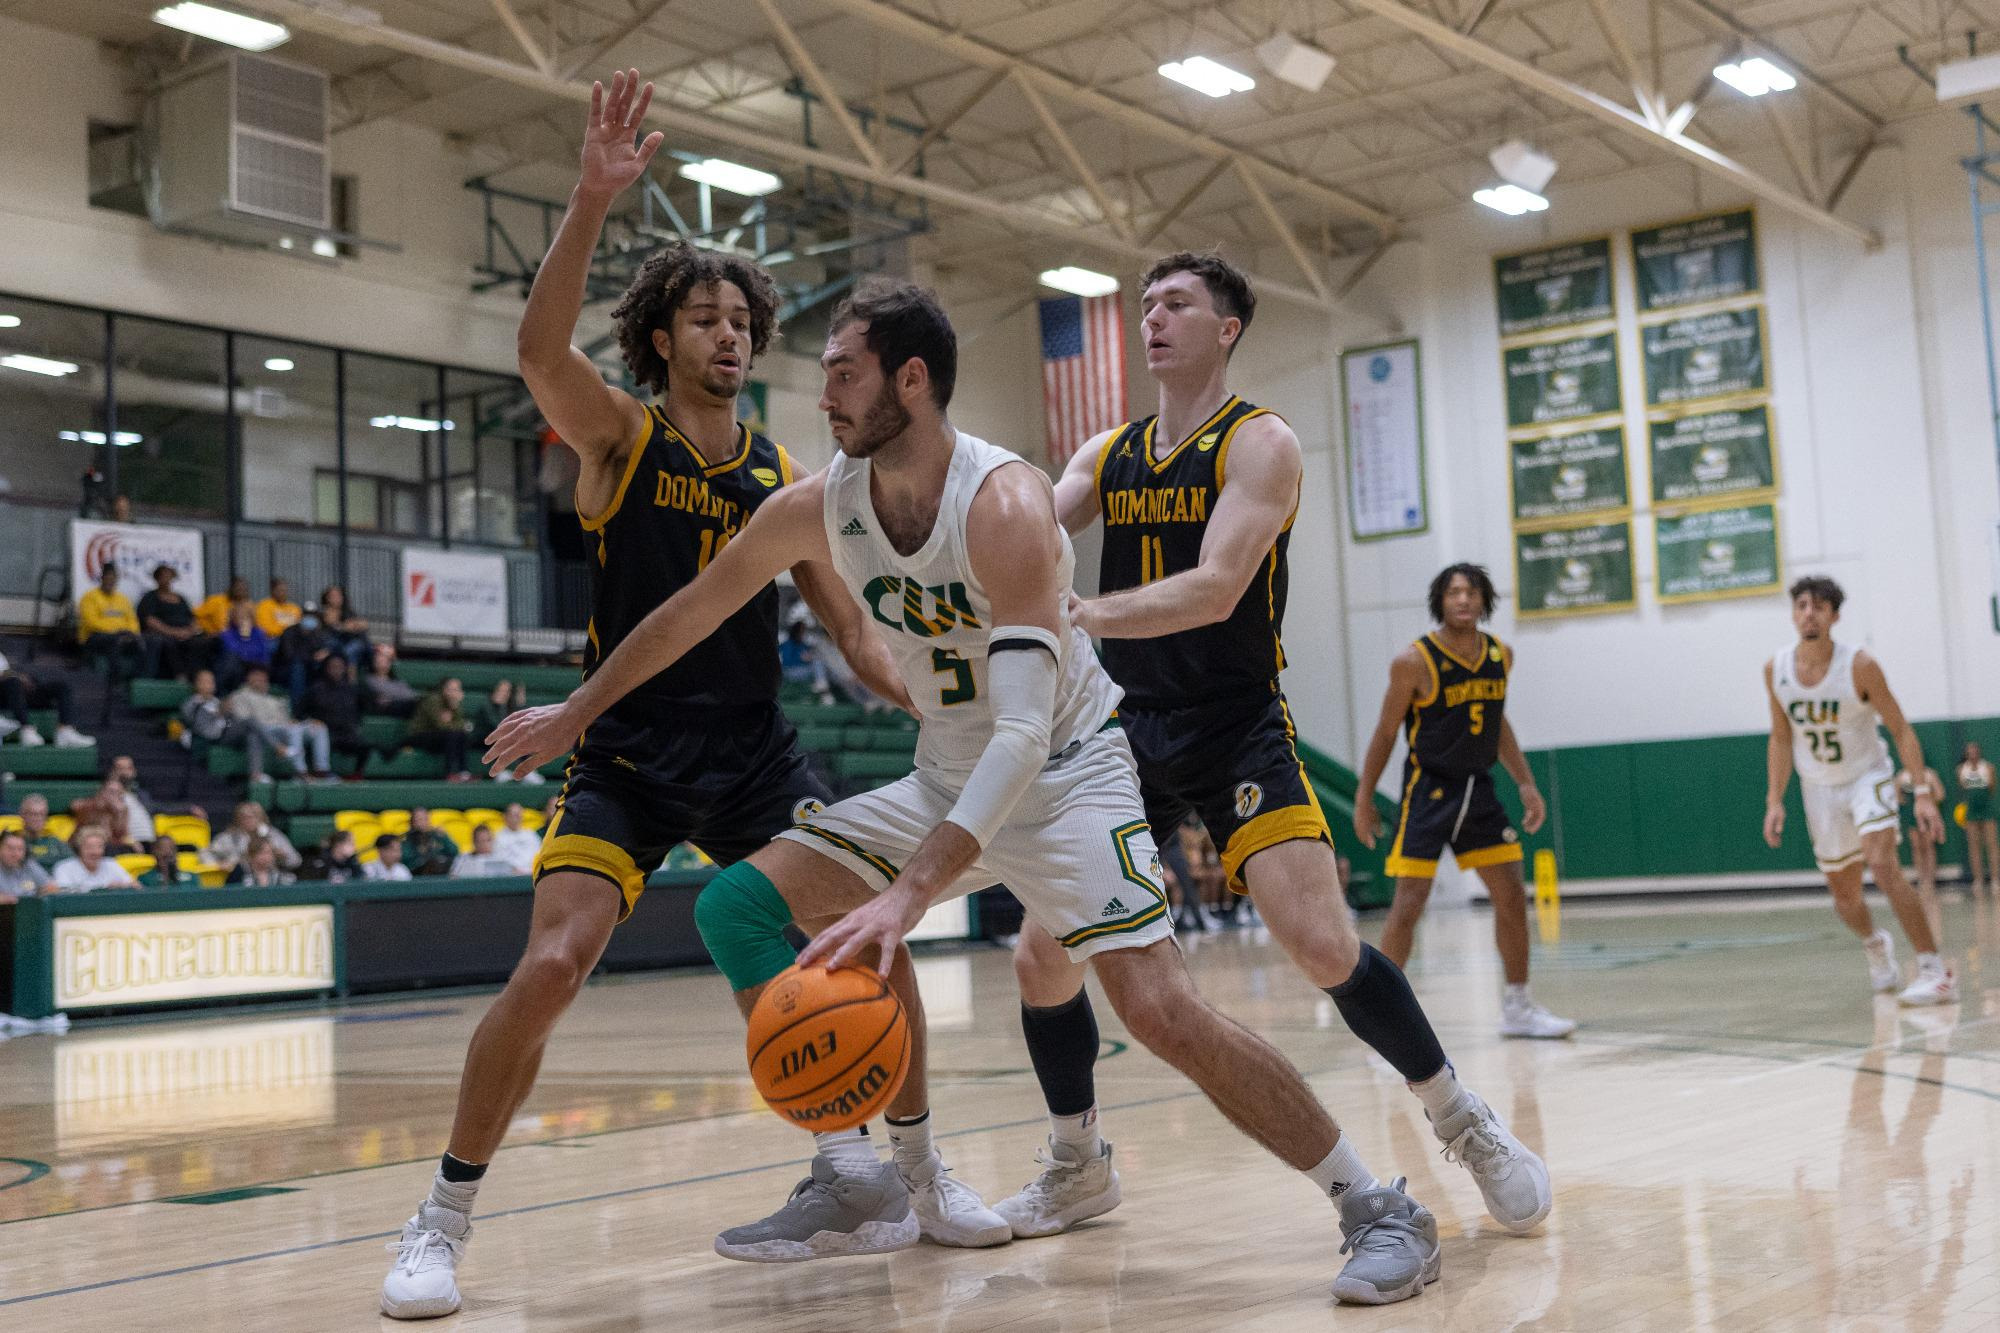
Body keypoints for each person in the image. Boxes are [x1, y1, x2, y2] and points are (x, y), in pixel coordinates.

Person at [489, 277, 1471, 1307]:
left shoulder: (1002, 502)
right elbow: (688, 611)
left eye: (843, 373)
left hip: (1063, 773)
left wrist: (908, 894)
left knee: (1160, 1011)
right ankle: (868, 1177)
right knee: (736, 902)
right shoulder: (819, 503)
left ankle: (1377, 1207)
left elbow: (1018, 733)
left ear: (908, 382)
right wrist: (576, 711)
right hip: (947, 773)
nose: (821, 395)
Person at [376, 72, 917, 1322]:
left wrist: (920, 698)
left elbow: (845, 627)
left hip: (755, 756)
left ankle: (865, 1164)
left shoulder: (787, 472)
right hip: (623, 752)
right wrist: (589, 196)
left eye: (741, 318)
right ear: (660, 337)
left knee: (834, 949)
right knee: (556, 961)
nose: (728, 334)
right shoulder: (621, 440)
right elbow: (531, 350)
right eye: (701, 317)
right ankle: (441, 1216)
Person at [1010, 254, 1554, 1236]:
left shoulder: (1259, 444)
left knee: (1316, 938)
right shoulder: (1108, 450)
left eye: (1175, 303)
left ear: (1225, 328)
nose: (1151, 318)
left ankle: (1457, 1116)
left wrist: (1078, 613)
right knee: (1041, 954)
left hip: (1233, 724)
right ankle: (1075, 1160)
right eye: (1143, 305)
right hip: (1125, 730)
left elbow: (1217, 586)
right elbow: (1022, 524)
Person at [1353, 563, 1575, 1038]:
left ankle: (1518, 1007)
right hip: (1429, 791)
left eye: (1472, 592)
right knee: (1409, 903)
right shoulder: (1413, 660)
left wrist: (1526, 782)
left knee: (1512, 895)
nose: (1463, 600)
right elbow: (1386, 731)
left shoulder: (1500, 654)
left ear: (1484, 600)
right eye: (1454, 592)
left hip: (1480, 790)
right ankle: (1384, 1023)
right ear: (1440, 600)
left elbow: (1497, 724)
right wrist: (1364, 797)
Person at [1765, 575, 1955, 1004]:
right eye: (1801, 606)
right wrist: (1774, 800)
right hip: (1818, 787)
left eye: (1817, 607)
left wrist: (1922, 791)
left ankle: (1933, 969)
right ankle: (1875, 944)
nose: (1808, 614)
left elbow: (1902, 729)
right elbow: (1779, 738)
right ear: (1793, 615)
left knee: (1882, 864)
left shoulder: (1860, 665)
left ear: (1835, 616)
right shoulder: (1775, 670)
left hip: (1868, 776)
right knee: (1845, 895)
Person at [226, 664, 332, 783]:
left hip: (283, 728)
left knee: (319, 728)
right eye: (256, 675)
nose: (260, 678)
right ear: (248, 677)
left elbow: (288, 720)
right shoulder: (240, 696)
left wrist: (306, 722)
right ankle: (300, 772)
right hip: (264, 730)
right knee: (294, 730)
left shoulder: (274, 698)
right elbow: (245, 721)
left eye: (262, 676)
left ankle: (322, 771)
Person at [0, 647, 93, 747]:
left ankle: (64, 730)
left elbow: (7, 672)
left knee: (61, 687)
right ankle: (26, 729)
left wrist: (23, 679)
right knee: (12, 682)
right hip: (5, 697)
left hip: (17, 694)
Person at [136, 563, 206, 680]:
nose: (167, 580)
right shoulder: (150, 597)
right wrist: (173, 632)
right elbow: (150, 620)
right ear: (157, 579)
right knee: (169, 644)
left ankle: (198, 678)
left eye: (169, 576)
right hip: (164, 634)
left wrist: (190, 631)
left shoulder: (180, 598)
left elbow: (192, 618)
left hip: (185, 633)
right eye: (163, 576)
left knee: (201, 642)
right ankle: (180, 676)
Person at [304, 655, 371, 778]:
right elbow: (302, 711)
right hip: (325, 731)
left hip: (346, 732)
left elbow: (365, 706)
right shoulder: (316, 689)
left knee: (364, 745)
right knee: (318, 741)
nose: (336, 670)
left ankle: (356, 775)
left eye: (340, 667)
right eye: (333, 667)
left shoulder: (350, 688)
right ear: (326, 668)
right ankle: (318, 773)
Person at [76, 564, 144, 680]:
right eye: (108, 578)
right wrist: (118, 632)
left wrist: (131, 633)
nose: (110, 582)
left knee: (142, 643)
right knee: (114, 642)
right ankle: (114, 682)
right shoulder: (90, 597)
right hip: (94, 637)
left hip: (122, 635)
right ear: (101, 578)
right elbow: (92, 622)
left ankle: (136, 679)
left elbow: (132, 621)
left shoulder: (123, 599)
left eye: (113, 579)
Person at [406, 679, 475, 781]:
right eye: (452, 689)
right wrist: (454, 723)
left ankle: (464, 773)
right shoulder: (433, 700)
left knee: (461, 735)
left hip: (439, 737)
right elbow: (441, 725)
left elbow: (461, 725)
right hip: (419, 735)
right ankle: (450, 772)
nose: (455, 692)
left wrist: (454, 711)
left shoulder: (454, 703)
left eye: (457, 689)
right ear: (444, 689)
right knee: (453, 735)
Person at [1898, 764, 1947, 908]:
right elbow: (1897, 795)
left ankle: (1930, 880)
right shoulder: (1902, 775)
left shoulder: (1929, 774)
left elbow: (1940, 794)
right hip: (1910, 815)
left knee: (1928, 846)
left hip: (1925, 813)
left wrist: (1928, 801)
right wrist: (1907, 803)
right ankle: (1921, 879)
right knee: (1916, 846)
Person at [208, 801, 302, 873]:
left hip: (271, 881)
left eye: (254, 816)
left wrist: (282, 857)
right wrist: (218, 866)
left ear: (261, 817)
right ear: (238, 819)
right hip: (238, 882)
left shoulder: (273, 835)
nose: (249, 820)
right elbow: (206, 854)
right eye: (245, 817)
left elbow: (295, 860)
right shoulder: (228, 838)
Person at [1956, 742, 1997, 899]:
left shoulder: (1988, 768)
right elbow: (1962, 789)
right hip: (1971, 811)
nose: (1972, 753)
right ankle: (1978, 880)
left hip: (1986, 809)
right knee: (1974, 846)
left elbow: (1992, 788)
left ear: (1979, 752)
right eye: (1969, 751)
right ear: (1966, 753)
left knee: (1992, 844)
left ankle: (1994, 879)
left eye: (1975, 750)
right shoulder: (1961, 770)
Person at [49, 825, 138, 892]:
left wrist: (122, 886)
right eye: (89, 847)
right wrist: (104, 889)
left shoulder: (111, 864)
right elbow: (63, 894)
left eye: (99, 847)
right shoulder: (64, 867)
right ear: (80, 848)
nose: (95, 852)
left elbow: (136, 886)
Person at [217, 600, 274, 693]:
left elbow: (263, 654)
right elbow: (234, 651)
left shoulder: (259, 632)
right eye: (238, 616)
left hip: (257, 666)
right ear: (233, 618)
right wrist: (244, 637)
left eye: (245, 616)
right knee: (232, 661)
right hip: (237, 669)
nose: (242, 619)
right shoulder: (227, 634)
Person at [104, 755, 162, 846]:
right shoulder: (108, 794)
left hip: (149, 841)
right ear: (113, 771)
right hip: (127, 843)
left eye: (129, 768)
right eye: (120, 768)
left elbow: (159, 808)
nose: (125, 772)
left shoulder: (142, 795)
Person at [318, 584, 371, 668]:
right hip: (332, 644)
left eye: (339, 595)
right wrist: (347, 626)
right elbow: (335, 625)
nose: (336, 598)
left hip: (347, 641)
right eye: (333, 596)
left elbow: (363, 624)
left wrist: (351, 626)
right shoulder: (325, 611)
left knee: (360, 643)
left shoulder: (348, 611)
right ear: (326, 598)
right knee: (350, 650)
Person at [362, 643, 420, 717]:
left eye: (386, 659)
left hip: (405, 705)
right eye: (379, 658)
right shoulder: (369, 680)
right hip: (387, 710)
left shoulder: (396, 681)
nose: (382, 661)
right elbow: (391, 692)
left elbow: (410, 694)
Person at [400, 807, 458, 877]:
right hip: (416, 874)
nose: (422, 823)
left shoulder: (437, 835)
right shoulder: (407, 839)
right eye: (419, 820)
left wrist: (444, 838)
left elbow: (454, 851)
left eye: (425, 819)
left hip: (440, 872)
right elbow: (406, 859)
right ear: (412, 822)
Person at [17, 794, 70, 867]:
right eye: (33, 814)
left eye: (41, 814)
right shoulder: (13, 842)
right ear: (22, 815)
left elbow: (71, 866)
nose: (37, 819)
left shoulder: (57, 844)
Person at [0, 829, 53, 901]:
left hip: (29, 909)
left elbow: (51, 887)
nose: (15, 854)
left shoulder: (29, 864)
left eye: (20, 849)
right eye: (10, 848)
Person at [450, 824, 520, 878]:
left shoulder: (501, 858)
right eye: (482, 841)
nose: (485, 844)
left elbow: (515, 873)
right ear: (475, 842)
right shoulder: (464, 859)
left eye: (488, 840)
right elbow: (453, 878)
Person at [491, 802, 541, 873]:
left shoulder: (531, 835)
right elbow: (498, 859)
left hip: (531, 873)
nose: (516, 819)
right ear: (505, 816)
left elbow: (539, 855)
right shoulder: (498, 837)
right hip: (509, 876)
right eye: (513, 815)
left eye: (518, 815)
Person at [227, 835, 295, 887]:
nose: (266, 857)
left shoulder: (284, 877)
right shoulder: (238, 877)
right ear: (251, 856)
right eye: (261, 853)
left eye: (269, 853)